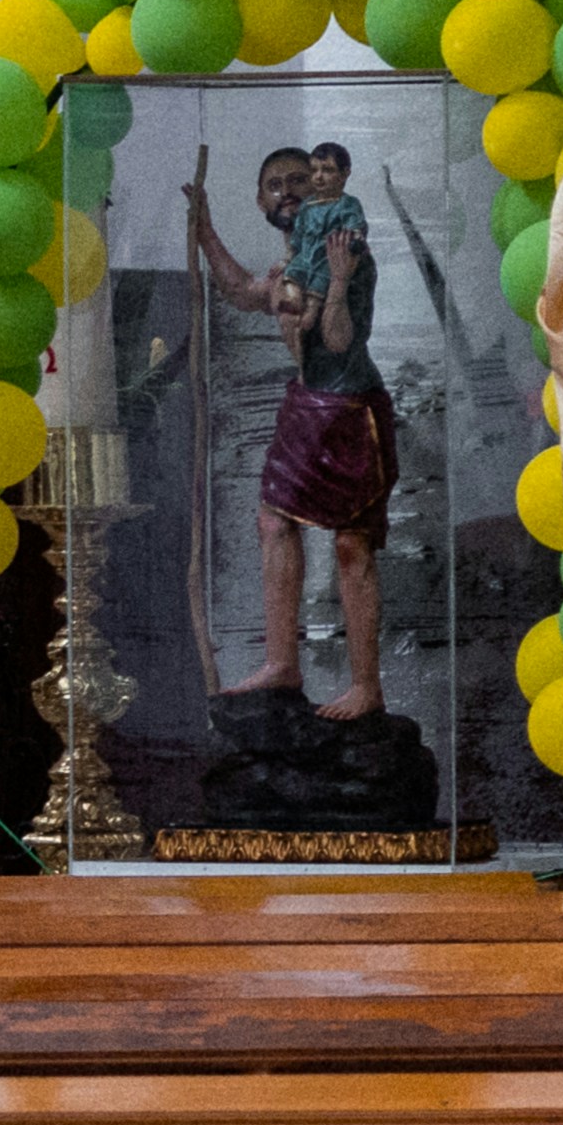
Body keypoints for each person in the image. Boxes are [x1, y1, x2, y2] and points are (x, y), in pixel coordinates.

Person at [186, 131, 396, 726]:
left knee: (352, 544)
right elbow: (241, 289)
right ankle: (283, 663)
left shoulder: (345, 252)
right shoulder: (293, 264)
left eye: (299, 180)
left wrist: (332, 282)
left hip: (350, 410)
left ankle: (366, 686)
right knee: (274, 522)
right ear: (261, 201)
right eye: (275, 185)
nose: (288, 192)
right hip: (308, 406)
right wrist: (203, 230)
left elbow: (337, 339)